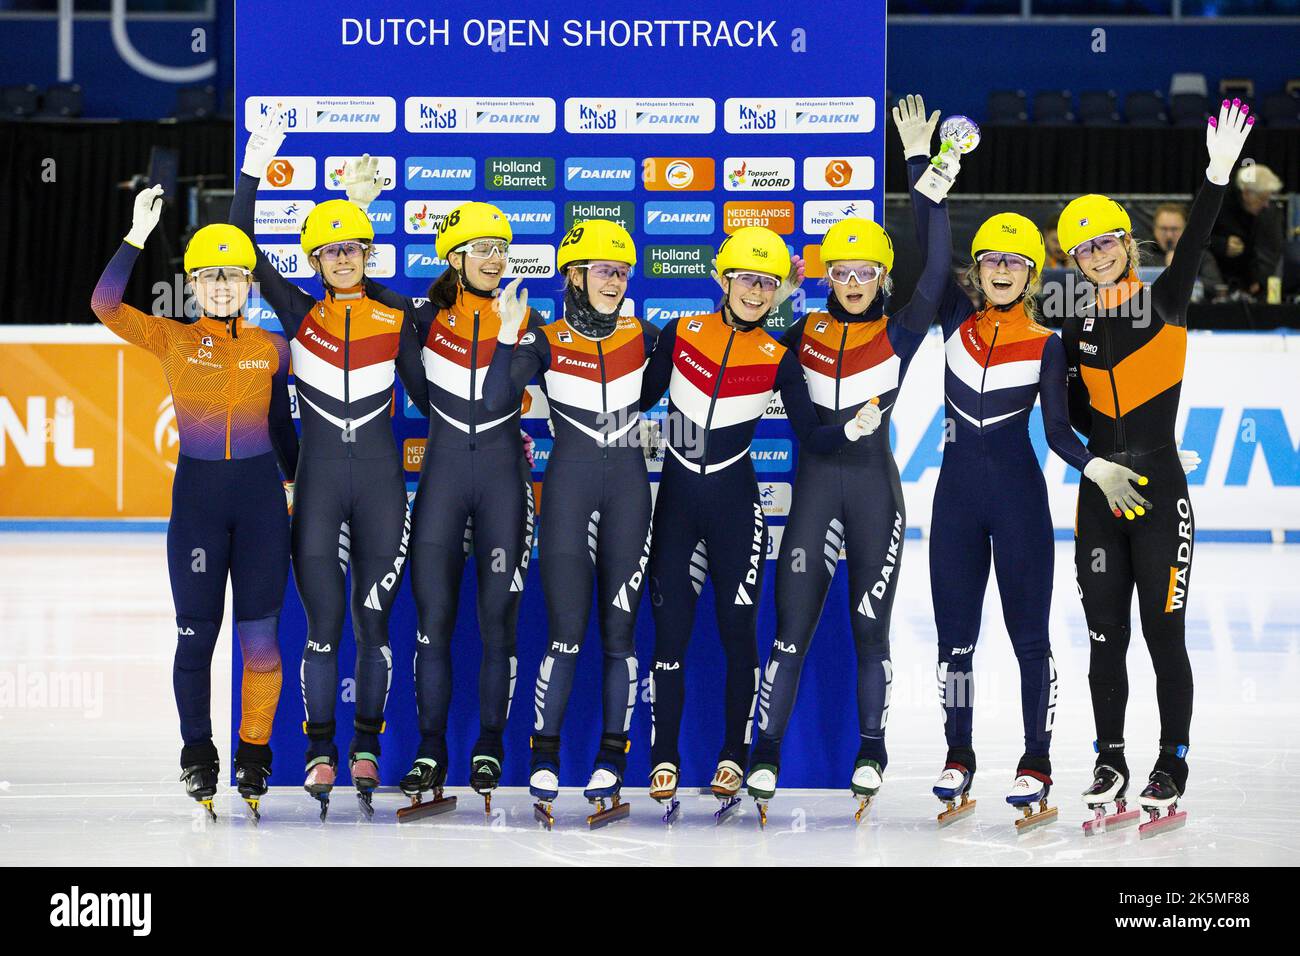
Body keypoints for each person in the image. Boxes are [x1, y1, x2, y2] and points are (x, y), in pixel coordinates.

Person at [744, 94, 954, 820]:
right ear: (828, 276)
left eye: (867, 270)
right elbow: (800, 421)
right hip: (815, 491)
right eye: (843, 271)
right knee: (790, 632)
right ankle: (763, 756)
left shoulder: (900, 331)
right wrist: (842, 432)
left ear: (882, 277)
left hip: (874, 498)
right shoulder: (798, 332)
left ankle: (873, 748)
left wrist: (923, 170)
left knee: (871, 631)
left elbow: (938, 268)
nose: (855, 280)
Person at [638, 225, 879, 822]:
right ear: (723, 280)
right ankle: (663, 754)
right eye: (746, 278)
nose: (754, 291)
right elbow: (634, 396)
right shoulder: (680, 333)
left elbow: (811, 434)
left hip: (734, 499)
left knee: (737, 632)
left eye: (767, 284)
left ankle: (732, 755)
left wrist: (849, 431)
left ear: (778, 294)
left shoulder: (779, 356)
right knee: (669, 633)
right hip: (675, 498)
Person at [1061, 99, 1253, 835]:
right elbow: (1079, 415)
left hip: (1161, 493)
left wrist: (1214, 174)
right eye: (1085, 250)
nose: (1099, 255)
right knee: (1104, 636)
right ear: (1073, 261)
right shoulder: (1074, 323)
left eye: (1107, 242)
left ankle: (1171, 761)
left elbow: (1199, 237)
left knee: (1161, 636)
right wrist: (1095, 455)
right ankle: (1110, 757)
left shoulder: (1164, 300)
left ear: (1125, 241)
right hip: (1099, 498)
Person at [231, 112, 428, 817]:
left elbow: (436, 399)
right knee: (321, 629)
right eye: (331, 252)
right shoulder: (298, 312)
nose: (343, 260)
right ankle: (319, 750)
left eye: (354, 250)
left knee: (373, 626)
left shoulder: (398, 314)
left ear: (367, 256)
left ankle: (367, 745)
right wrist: (254, 168)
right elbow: (242, 247)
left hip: (380, 489)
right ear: (315, 263)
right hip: (315, 489)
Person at [92, 185, 298, 819]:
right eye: (209, 278)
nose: (220, 288)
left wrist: (296, 486)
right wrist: (135, 236)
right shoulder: (173, 340)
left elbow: (286, 428)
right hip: (199, 511)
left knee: (262, 644)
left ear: (247, 285)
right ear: (193, 286)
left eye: (232, 278)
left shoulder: (272, 348)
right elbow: (104, 304)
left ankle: (254, 754)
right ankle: (197, 754)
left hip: (264, 507)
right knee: (195, 640)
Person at [346, 165, 543, 812]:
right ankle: (432, 747)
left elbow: (507, 391)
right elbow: (356, 285)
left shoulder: (526, 317)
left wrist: (513, 335)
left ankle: (489, 743)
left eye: (501, 249)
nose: (495, 258)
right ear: (454, 258)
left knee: (496, 626)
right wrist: (355, 207)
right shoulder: (423, 316)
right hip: (441, 483)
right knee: (431, 627)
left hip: (504, 488)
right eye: (482, 249)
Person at [482, 220, 657, 826]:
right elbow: (494, 402)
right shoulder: (546, 338)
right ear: (574, 277)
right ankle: (546, 752)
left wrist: (788, 300)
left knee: (620, 635)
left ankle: (613, 754)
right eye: (604, 270)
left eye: (622, 272)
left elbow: (722, 354)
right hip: (567, 493)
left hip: (631, 494)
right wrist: (506, 340)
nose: (614, 281)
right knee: (565, 633)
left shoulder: (644, 335)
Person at [1209, 162, 1284, 298]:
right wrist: (1222, 244)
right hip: (1213, 277)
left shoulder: (1262, 213)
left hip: (1245, 280)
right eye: (1262, 199)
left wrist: (1256, 279)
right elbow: (1196, 238)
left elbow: (1263, 251)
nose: (1266, 205)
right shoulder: (1216, 201)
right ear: (1246, 193)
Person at [1152, 202, 1225, 296]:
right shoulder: (1142, 253)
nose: (1169, 235)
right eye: (1164, 229)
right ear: (1154, 228)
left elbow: (1216, 286)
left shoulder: (1200, 254)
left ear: (1185, 229)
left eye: (1174, 229)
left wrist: (1180, 272)